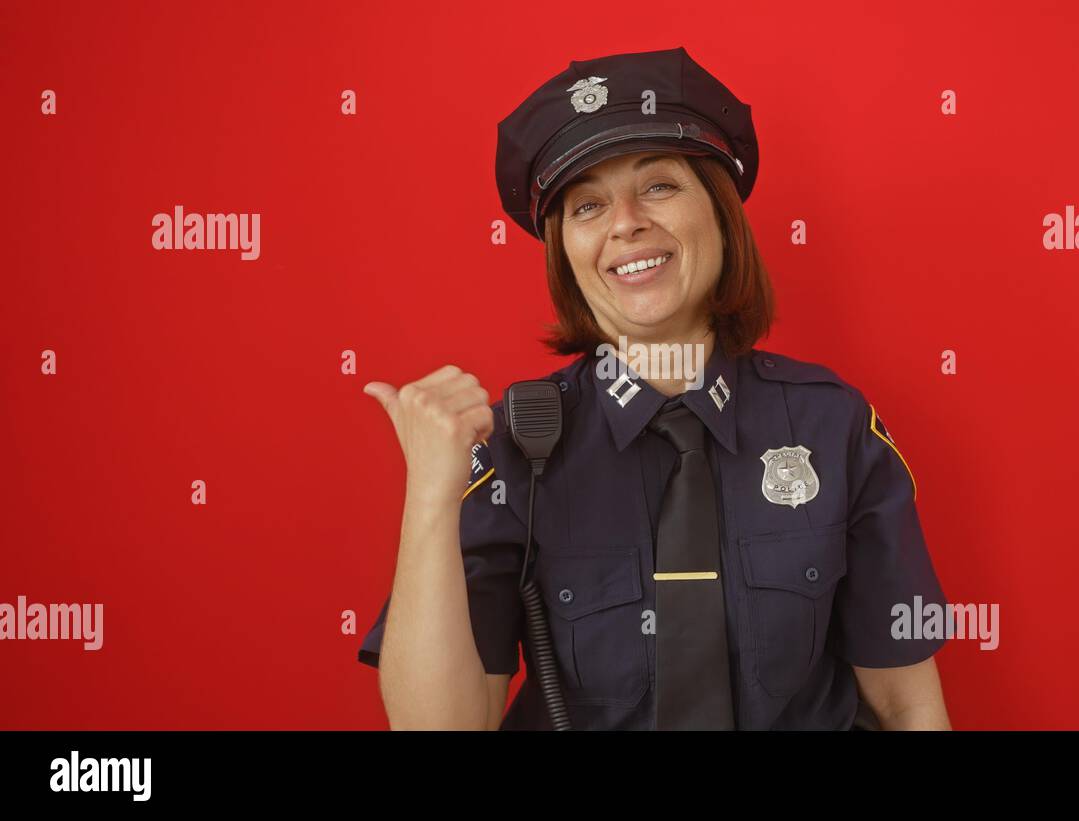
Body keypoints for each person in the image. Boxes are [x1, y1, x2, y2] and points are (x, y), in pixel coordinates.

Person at [357, 46, 951, 730]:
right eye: (587, 205)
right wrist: (431, 492)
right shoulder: (515, 447)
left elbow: (907, 703)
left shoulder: (832, 425)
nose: (624, 222)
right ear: (566, 255)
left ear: (720, 214)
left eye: (659, 186)